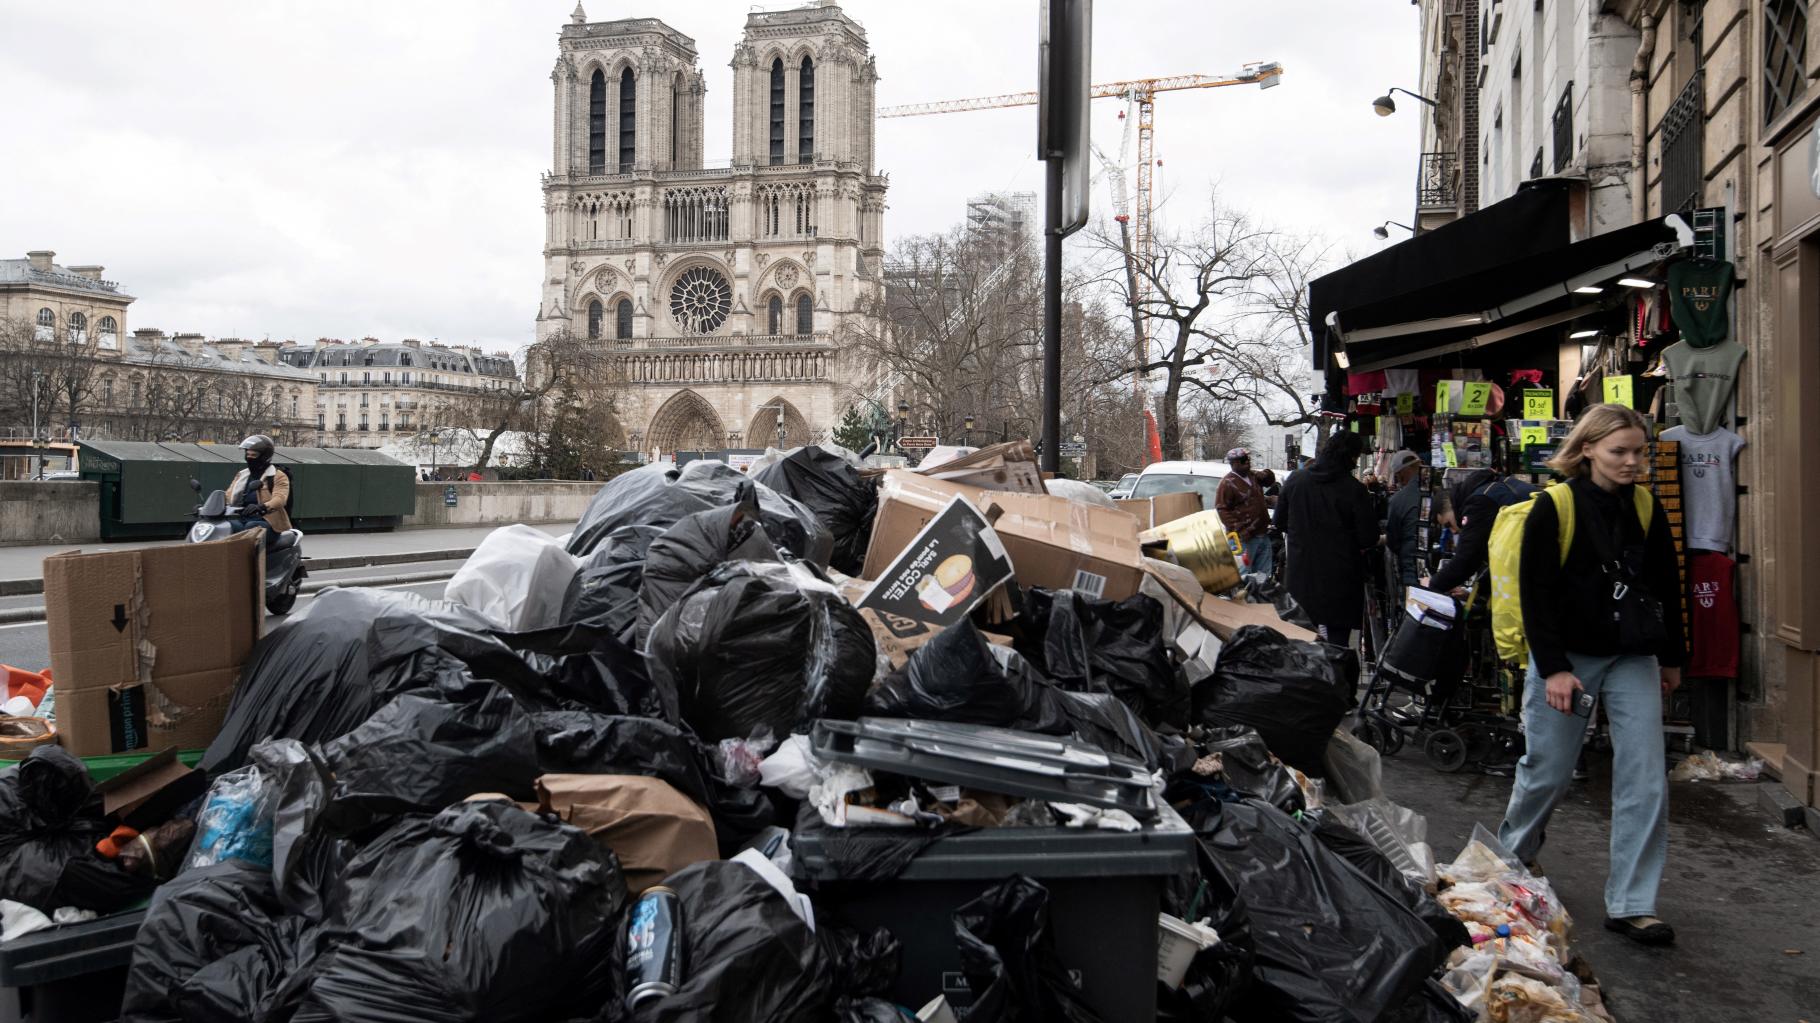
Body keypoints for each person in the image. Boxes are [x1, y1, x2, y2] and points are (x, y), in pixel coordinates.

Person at [1498, 404, 1685, 946]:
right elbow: (1536, 595)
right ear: (1586, 451)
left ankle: (1633, 903)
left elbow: (1667, 588)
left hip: (1633, 656)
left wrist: (1671, 658)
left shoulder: (1647, 507)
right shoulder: (1554, 507)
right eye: (1618, 451)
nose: (1632, 462)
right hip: (1568, 659)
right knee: (1548, 771)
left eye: (1638, 451)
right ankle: (1514, 861)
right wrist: (1553, 668)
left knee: (1646, 776)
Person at [1275, 430, 1378, 646]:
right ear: (1350, 457)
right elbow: (1368, 538)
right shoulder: (1355, 490)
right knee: (1338, 644)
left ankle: (1307, 678)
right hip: (1341, 579)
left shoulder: (1295, 481)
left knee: (1301, 639)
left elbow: (1279, 522)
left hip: (1301, 575)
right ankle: (1336, 677)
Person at [1426, 467, 1533, 597]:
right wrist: (1476, 594)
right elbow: (1497, 560)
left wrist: (1432, 586)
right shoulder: (1491, 488)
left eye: (1448, 524)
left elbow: (1467, 559)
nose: (1453, 531)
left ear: (1452, 506)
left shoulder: (1479, 502)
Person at [1214, 448, 1275, 580]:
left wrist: (1266, 473)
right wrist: (1240, 529)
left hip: (1262, 534)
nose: (1247, 462)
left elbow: (1270, 480)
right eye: (1242, 460)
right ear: (1233, 464)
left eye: (1248, 459)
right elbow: (1222, 509)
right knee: (1243, 574)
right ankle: (1242, 599)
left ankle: (1259, 596)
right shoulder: (1227, 483)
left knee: (1262, 574)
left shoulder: (1253, 476)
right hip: (1244, 539)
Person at [225, 435, 291, 535]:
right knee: (224, 526)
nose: (249, 458)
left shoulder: (277, 475)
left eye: (254, 455)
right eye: (248, 455)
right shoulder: (242, 474)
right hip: (244, 519)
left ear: (264, 457)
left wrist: (261, 507)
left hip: (269, 522)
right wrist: (208, 507)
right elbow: (228, 495)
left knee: (251, 527)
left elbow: (280, 499)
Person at [1382, 450, 1426, 589]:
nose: (1398, 481)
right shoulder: (1439, 491)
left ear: (1403, 472)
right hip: (1439, 568)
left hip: (1411, 567)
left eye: (1398, 476)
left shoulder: (1398, 500)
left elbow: (1393, 539)